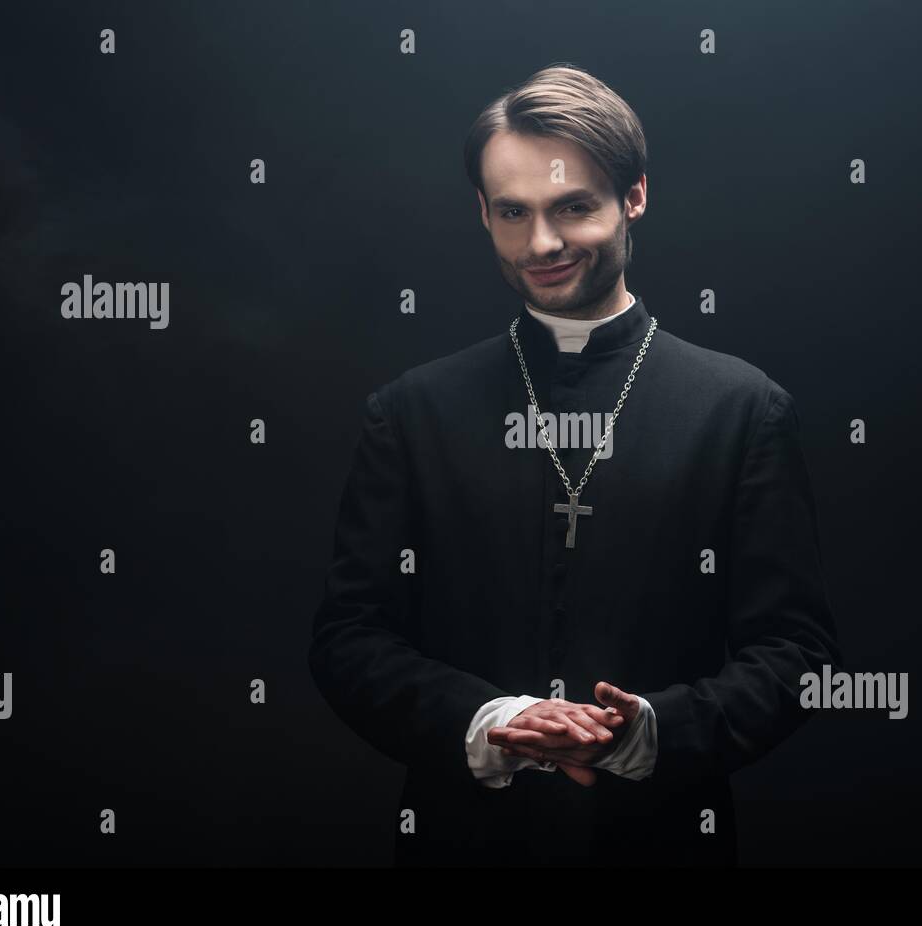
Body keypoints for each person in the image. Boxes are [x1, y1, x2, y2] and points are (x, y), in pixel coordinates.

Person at [309, 62, 842, 866]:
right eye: (513, 213)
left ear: (635, 198)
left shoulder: (741, 408)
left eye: (573, 208)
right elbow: (348, 639)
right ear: (483, 213)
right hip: (459, 849)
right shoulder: (412, 411)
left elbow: (795, 653)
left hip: (663, 848)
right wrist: (488, 720)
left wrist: (649, 730)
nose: (542, 243)